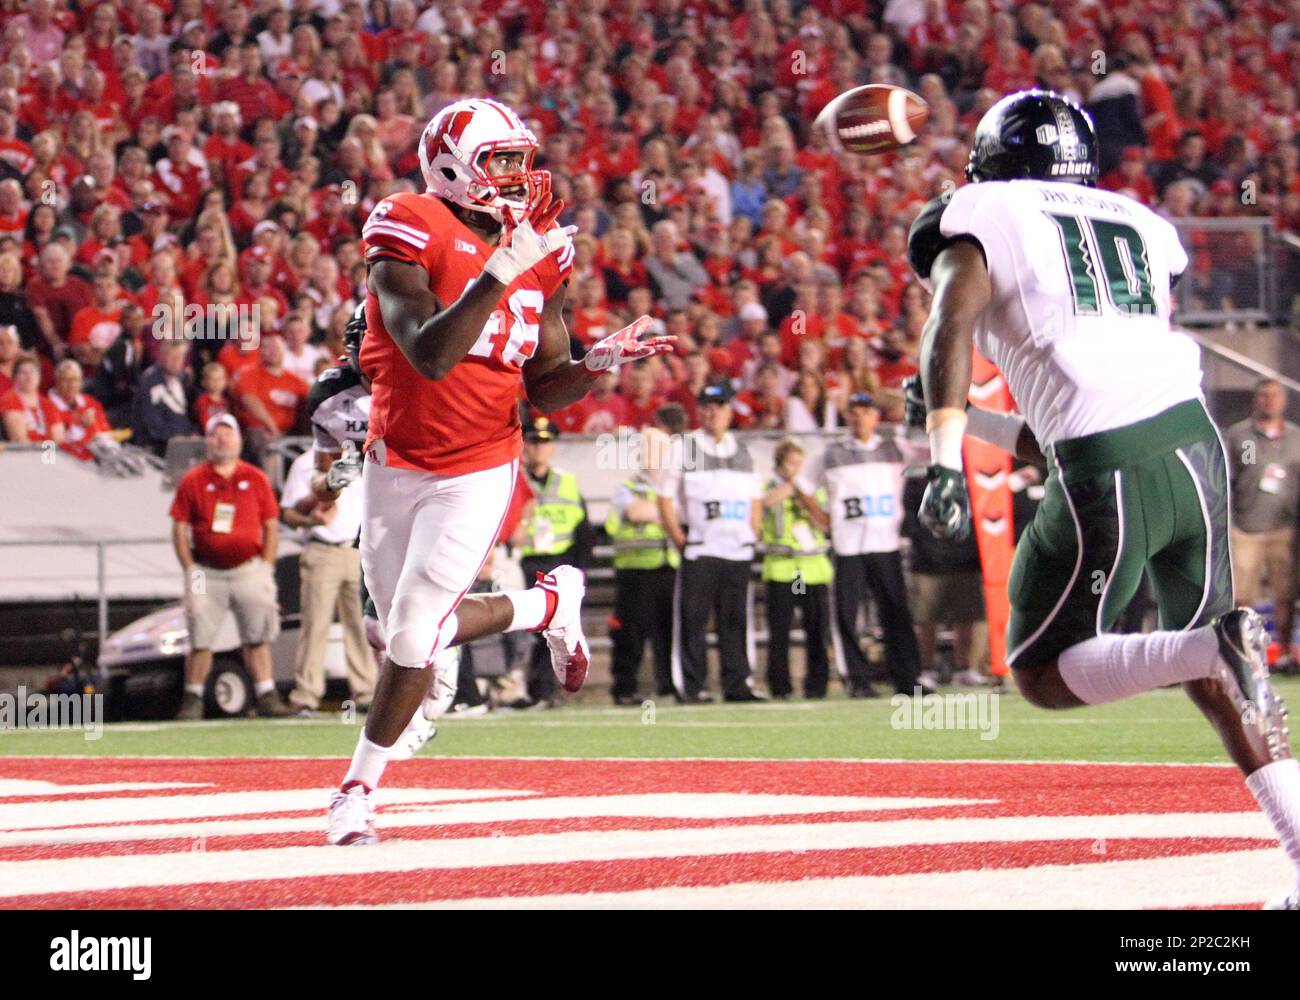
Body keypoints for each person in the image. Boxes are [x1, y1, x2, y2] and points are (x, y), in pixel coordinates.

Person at [907, 88, 1299, 910]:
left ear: (993, 162)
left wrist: (942, 458)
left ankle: (1203, 647)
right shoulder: (1137, 222)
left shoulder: (981, 213)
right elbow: (1088, 400)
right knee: (1219, 667)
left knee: (1041, 672)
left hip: (1108, 462)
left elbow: (947, 325)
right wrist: (973, 420)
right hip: (1193, 444)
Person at [328, 97, 674, 845]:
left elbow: (545, 384)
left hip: (480, 463)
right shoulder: (408, 220)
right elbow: (429, 353)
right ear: (451, 169)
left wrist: (597, 362)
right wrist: (497, 271)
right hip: (395, 457)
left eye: (521, 158)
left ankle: (356, 789)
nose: (519, 176)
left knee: (415, 635)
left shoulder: (540, 250)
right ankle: (547, 606)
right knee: (403, 632)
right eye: (501, 161)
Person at [805, 392, 932, 697]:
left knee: (897, 612)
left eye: (867, 411)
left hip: (885, 544)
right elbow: (803, 486)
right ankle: (858, 680)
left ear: (876, 416)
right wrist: (823, 520)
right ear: (847, 417)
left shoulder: (895, 449)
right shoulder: (831, 453)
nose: (860, 417)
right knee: (847, 614)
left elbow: (933, 451)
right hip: (849, 545)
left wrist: (906, 411)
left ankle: (908, 679)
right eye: (855, 412)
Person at [169, 413, 293, 720]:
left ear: (238, 440)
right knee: (199, 634)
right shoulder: (193, 479)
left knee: (258, 634)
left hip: (249, 567)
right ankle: (193, 697)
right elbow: (179, 528)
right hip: (205, 570)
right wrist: (189, 568)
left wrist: (266, 564)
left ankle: (266, 693)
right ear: (207, 441)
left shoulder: (256, 478)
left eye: (227, 434)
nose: (222, 439)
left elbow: (271, 526)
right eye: (216, 434)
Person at [658, 382, 766, 703]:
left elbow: (756, 496)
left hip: (737, 549)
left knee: (736, 620)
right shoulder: (683, 447)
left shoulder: (743, 450)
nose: (712, 411)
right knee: (693, 620)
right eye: (706, 405)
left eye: (718, 405)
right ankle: (691, 686)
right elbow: (665, 496)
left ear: (729, 411)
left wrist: (753, 532)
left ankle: (737, 683)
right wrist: (679, 537)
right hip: (701, 548)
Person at [517, 416, 594, 707]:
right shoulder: (512, 477)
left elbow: (584, 532)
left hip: (557, 563)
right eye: (534, 441)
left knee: (556, 630)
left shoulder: (567, 481)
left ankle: (545, 691)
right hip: (523, 561)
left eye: (545, 442)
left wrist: (578, 571)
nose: (539, 448)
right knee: (523, 630)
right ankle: (519, 690)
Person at [1225, 379, 1300, 673]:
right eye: (1263, 395)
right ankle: (1245, 651)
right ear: (1256, 400)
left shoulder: (1295, 437)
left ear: (1284, 400)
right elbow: (1227, 478)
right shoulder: (1239, 435)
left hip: (1285, 528)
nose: (1269, 401)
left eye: (1274, 395)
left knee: (1286, 593)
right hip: (1246, 526)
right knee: (1244, 594)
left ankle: (1282, 654)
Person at [604, 425, 679, 704]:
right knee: (630, 631)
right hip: (635, 569)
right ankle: (624, 688)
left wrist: (654, 511)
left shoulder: (673, 486)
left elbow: (661, 512)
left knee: (669, 632)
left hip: (668, 567)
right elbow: (635, 512)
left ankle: (670, 686)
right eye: (646, 447)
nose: (650, 453)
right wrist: (668, 512)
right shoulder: (628, 487)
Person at [760, 437, 833, 699]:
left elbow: (825, 523)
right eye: (790, 464)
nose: (795, 469)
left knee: (816, 629)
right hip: (783, 569)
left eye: (798, 464)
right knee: (779, 631)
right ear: (780, 464)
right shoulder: (766, 488)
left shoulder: (811, 490)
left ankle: (817, 685)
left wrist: (803, 495)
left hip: (810, 570)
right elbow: (761, 507)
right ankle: (780, 686)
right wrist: (785, 490)